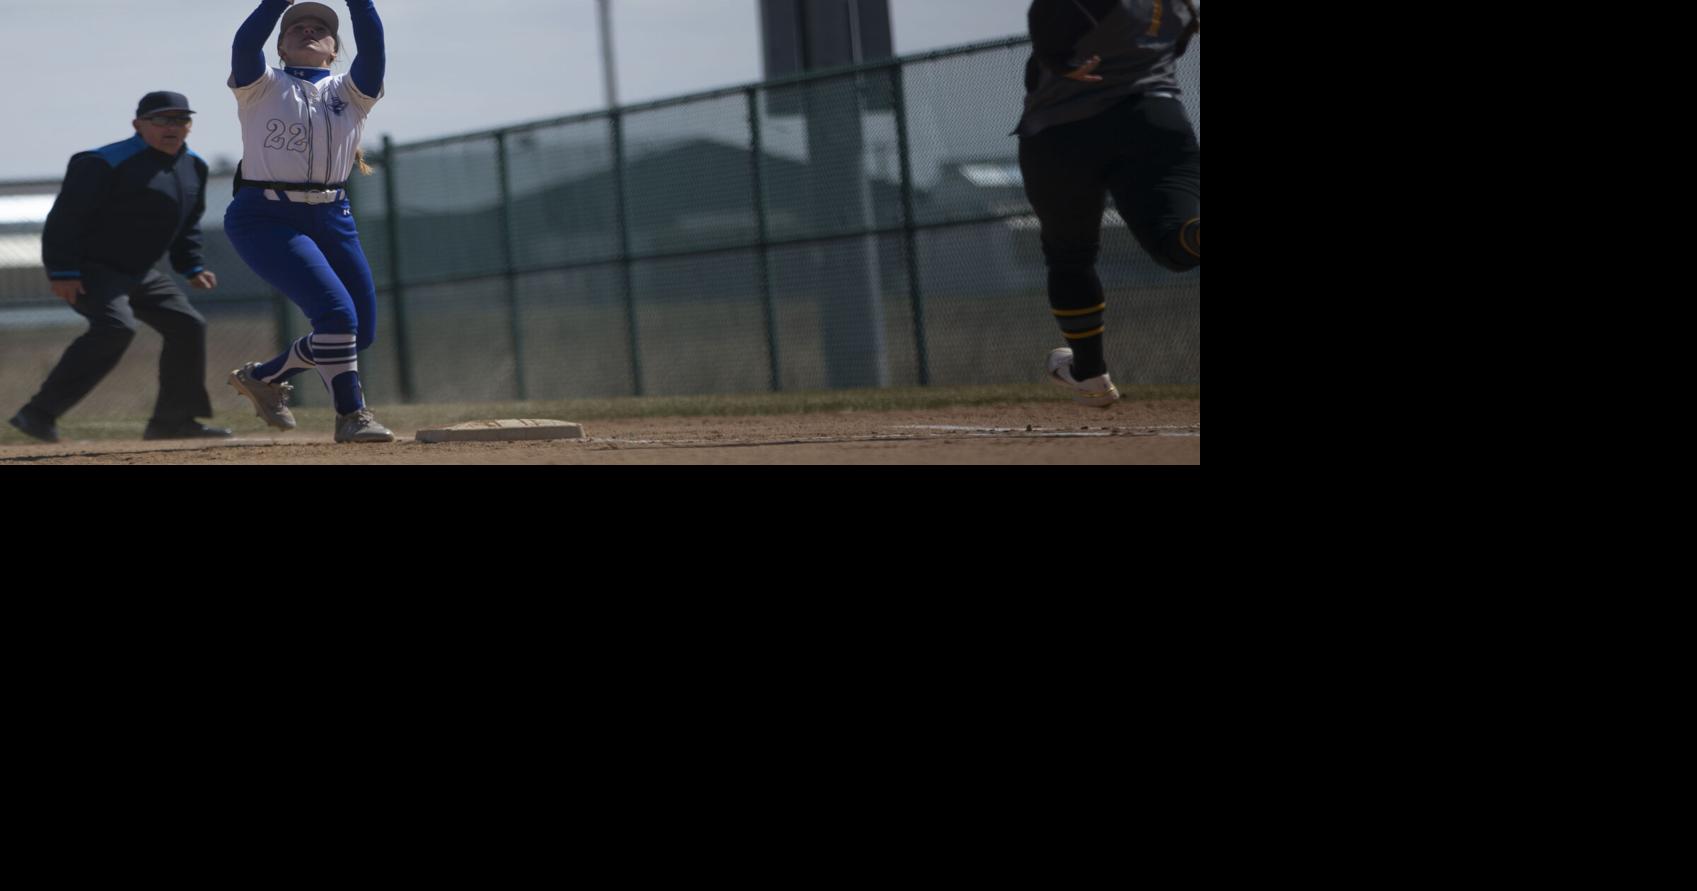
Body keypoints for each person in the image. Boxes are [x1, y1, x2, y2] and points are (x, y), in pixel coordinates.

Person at [8, 92, 229, 443]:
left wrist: (191, 265)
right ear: (138, 125)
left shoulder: (194, 167)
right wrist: (63, 271)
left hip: (139, 272)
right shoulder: (103, 162)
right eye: (161, 119)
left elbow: (186, 223)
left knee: (187, 324)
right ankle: (37, 414)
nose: (172, 127)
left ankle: (172, 421)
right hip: (89, 268)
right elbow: (65, 218)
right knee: (115, 327)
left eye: (180, 119)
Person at [223, 0, 394, 443]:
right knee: (337, 317)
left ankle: (261, 377)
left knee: (360, 334)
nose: (308, 30)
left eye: (320, 27)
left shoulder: (352, 91)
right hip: (265, 216)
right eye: (295, 27)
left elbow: (373, 46)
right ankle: (352, 416)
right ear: (279, 46)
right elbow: (245, 43)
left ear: (335, 48)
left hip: (332, 214)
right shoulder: (260, 84)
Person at [1016, 0, 1200, 407]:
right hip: (1155, 119)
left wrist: (1061, 62)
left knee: (1070, 254)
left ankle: (1091, 374)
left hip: (1061, 130)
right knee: (1176, 243)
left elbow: (1047, 13)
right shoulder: (1179, 7)